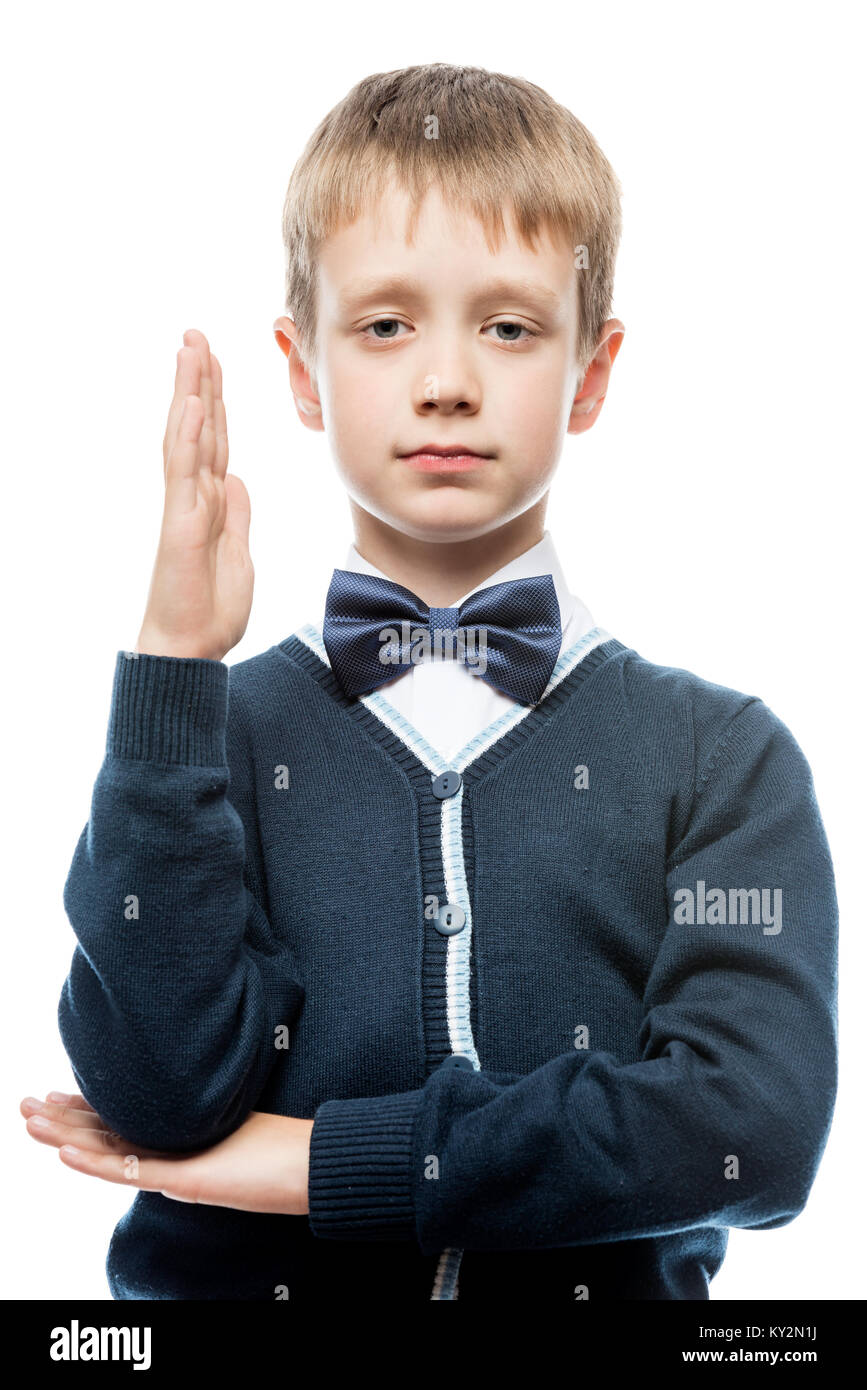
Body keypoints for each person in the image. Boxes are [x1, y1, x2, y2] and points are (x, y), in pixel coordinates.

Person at [20, 62, 837, 1302]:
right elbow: (155, 1096)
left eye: (508, 326)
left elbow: (751, 1126)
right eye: (386, 323)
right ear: (302, 370)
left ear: (593, 371)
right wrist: (171, 677)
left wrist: (319, 1163)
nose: (446, 379)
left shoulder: (725, 759)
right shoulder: (213, 738)